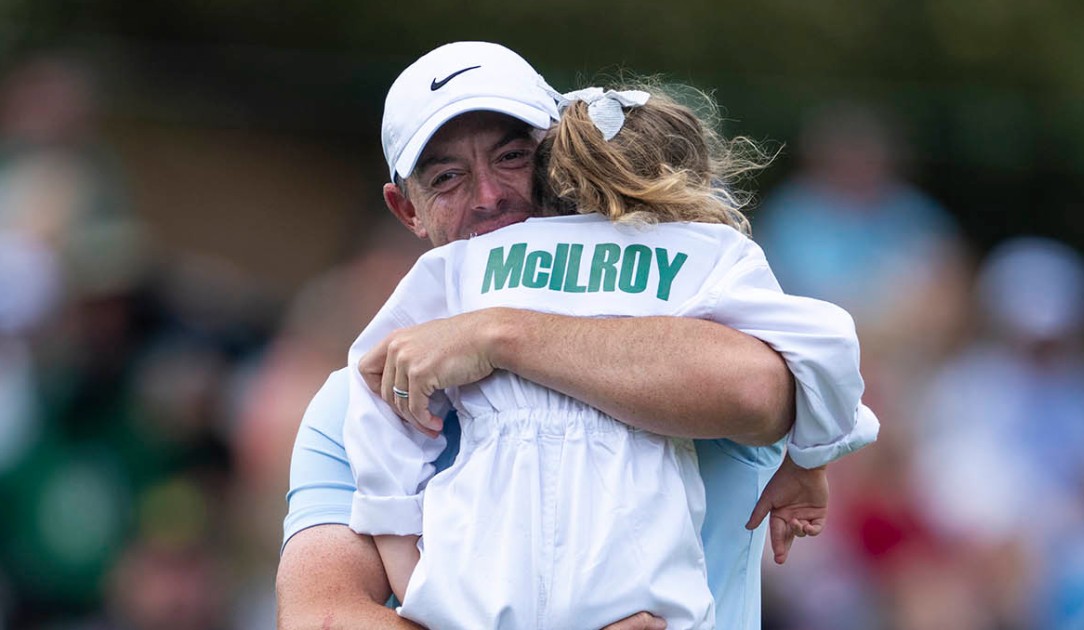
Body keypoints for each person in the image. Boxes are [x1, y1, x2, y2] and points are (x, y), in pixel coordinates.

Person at [276, 41, 879, 630]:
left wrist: (497, 334)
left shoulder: (689, 295)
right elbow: (321, 618)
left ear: (559, 156)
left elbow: (756, 391)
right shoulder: (352, 401)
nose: (490, 197)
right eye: (448, 177)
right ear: (407, 210)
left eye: (512, 157)